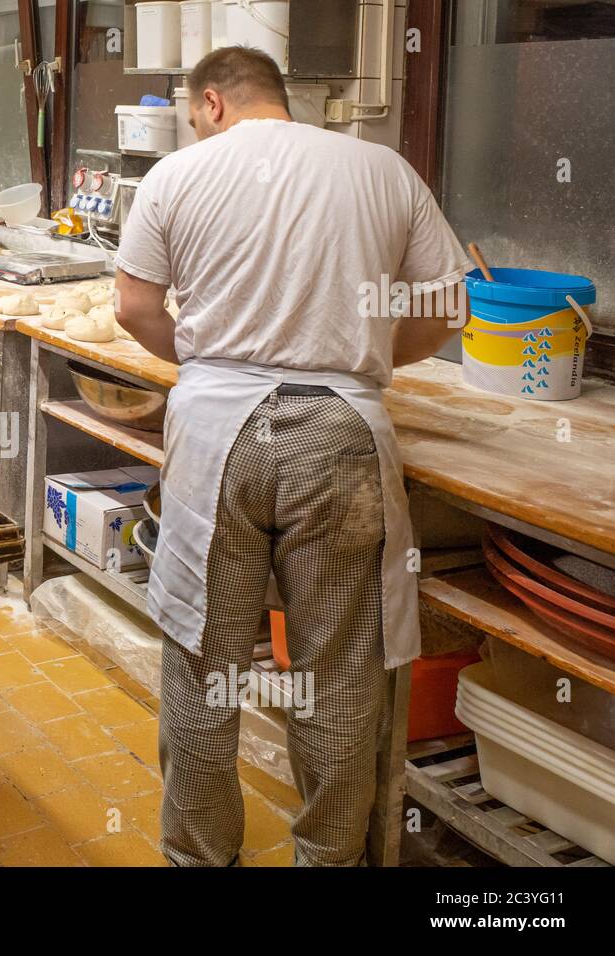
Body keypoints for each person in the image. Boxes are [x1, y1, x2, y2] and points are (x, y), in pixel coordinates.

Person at [115, 46, 471, 866]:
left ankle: (201, 859)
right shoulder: (384, 168)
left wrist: (208, 362)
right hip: (342, 432)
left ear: (211, 103)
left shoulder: (179, 174)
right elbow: (448, 310)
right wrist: (361, 354)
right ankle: (329, 860)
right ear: (283, 99)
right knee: (340, 673)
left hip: (216, 441)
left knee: (207, 665)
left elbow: (133, 307)